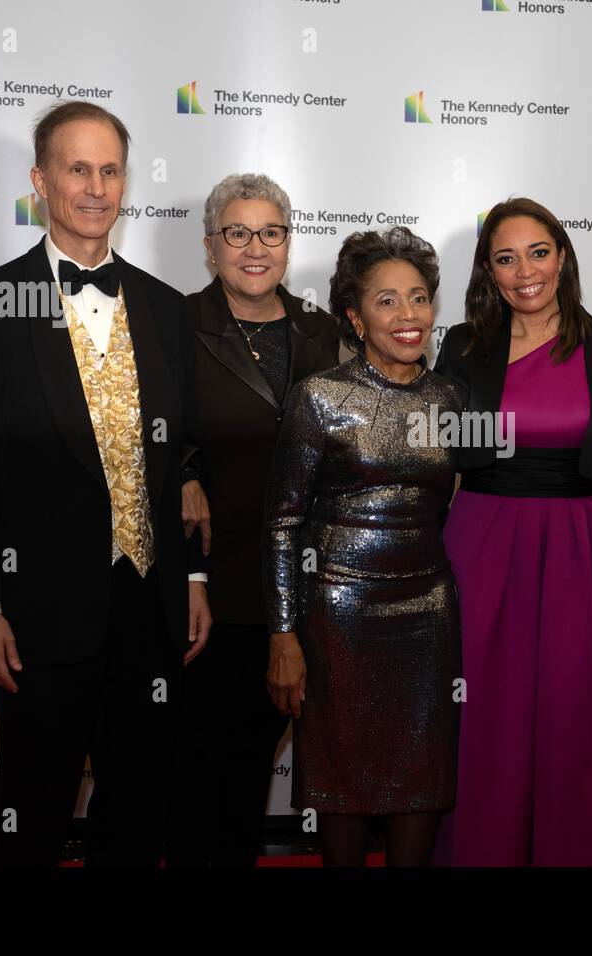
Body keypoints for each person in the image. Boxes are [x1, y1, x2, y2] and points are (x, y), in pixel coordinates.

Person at [0, 101, 211, 866]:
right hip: (39, 613)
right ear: (40, 180)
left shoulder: (164, 306)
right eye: (77, 168)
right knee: (33, 808)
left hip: (150, 607)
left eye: (110, 169)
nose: (96, 187)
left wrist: (192, 572)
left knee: (136, 811)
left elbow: (184, 454)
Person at [433, 197, 592, 866]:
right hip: (482, 551)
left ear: (562, 258)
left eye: (538, 252)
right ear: (488, 272)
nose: (524, 270)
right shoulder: (463, 347)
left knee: (579, 720)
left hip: (588, 552)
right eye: (506, 258)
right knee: (485, 724)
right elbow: (438, 462)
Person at [264, 227, 462, 867]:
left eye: (419, 298)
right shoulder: (319, 398)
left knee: (421, 784)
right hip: (337, 619)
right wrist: (285, 634)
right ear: (354, 315)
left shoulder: (453, 399)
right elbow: (283, 524)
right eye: (386, 301)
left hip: (427, 615)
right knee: (341, 787)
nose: (408, 316)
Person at [166, 174, 340, 866]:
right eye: (238, 232)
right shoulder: (175, 326)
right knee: (203, 767)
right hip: (213, 586)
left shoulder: (324, 332)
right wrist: (181, 474)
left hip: (305, 588)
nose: (256, 248)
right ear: (212, 246)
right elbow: (144, 437)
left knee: (253, 763)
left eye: (272, 232)